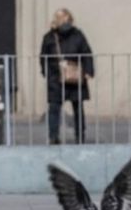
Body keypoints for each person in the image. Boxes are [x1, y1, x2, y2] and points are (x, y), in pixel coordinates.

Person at [40, 8, 94, 144]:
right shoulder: (49, 37)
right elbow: (43, 56)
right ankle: (53, 137)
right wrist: (46, 72)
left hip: (75, 76)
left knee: (78, 107)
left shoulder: (78, 35)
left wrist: (88, 71)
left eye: (67, 19)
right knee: (54, 108)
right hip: (55, 77)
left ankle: (80, 135)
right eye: (62, 19)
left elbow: (87, 53)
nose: (66, 22)